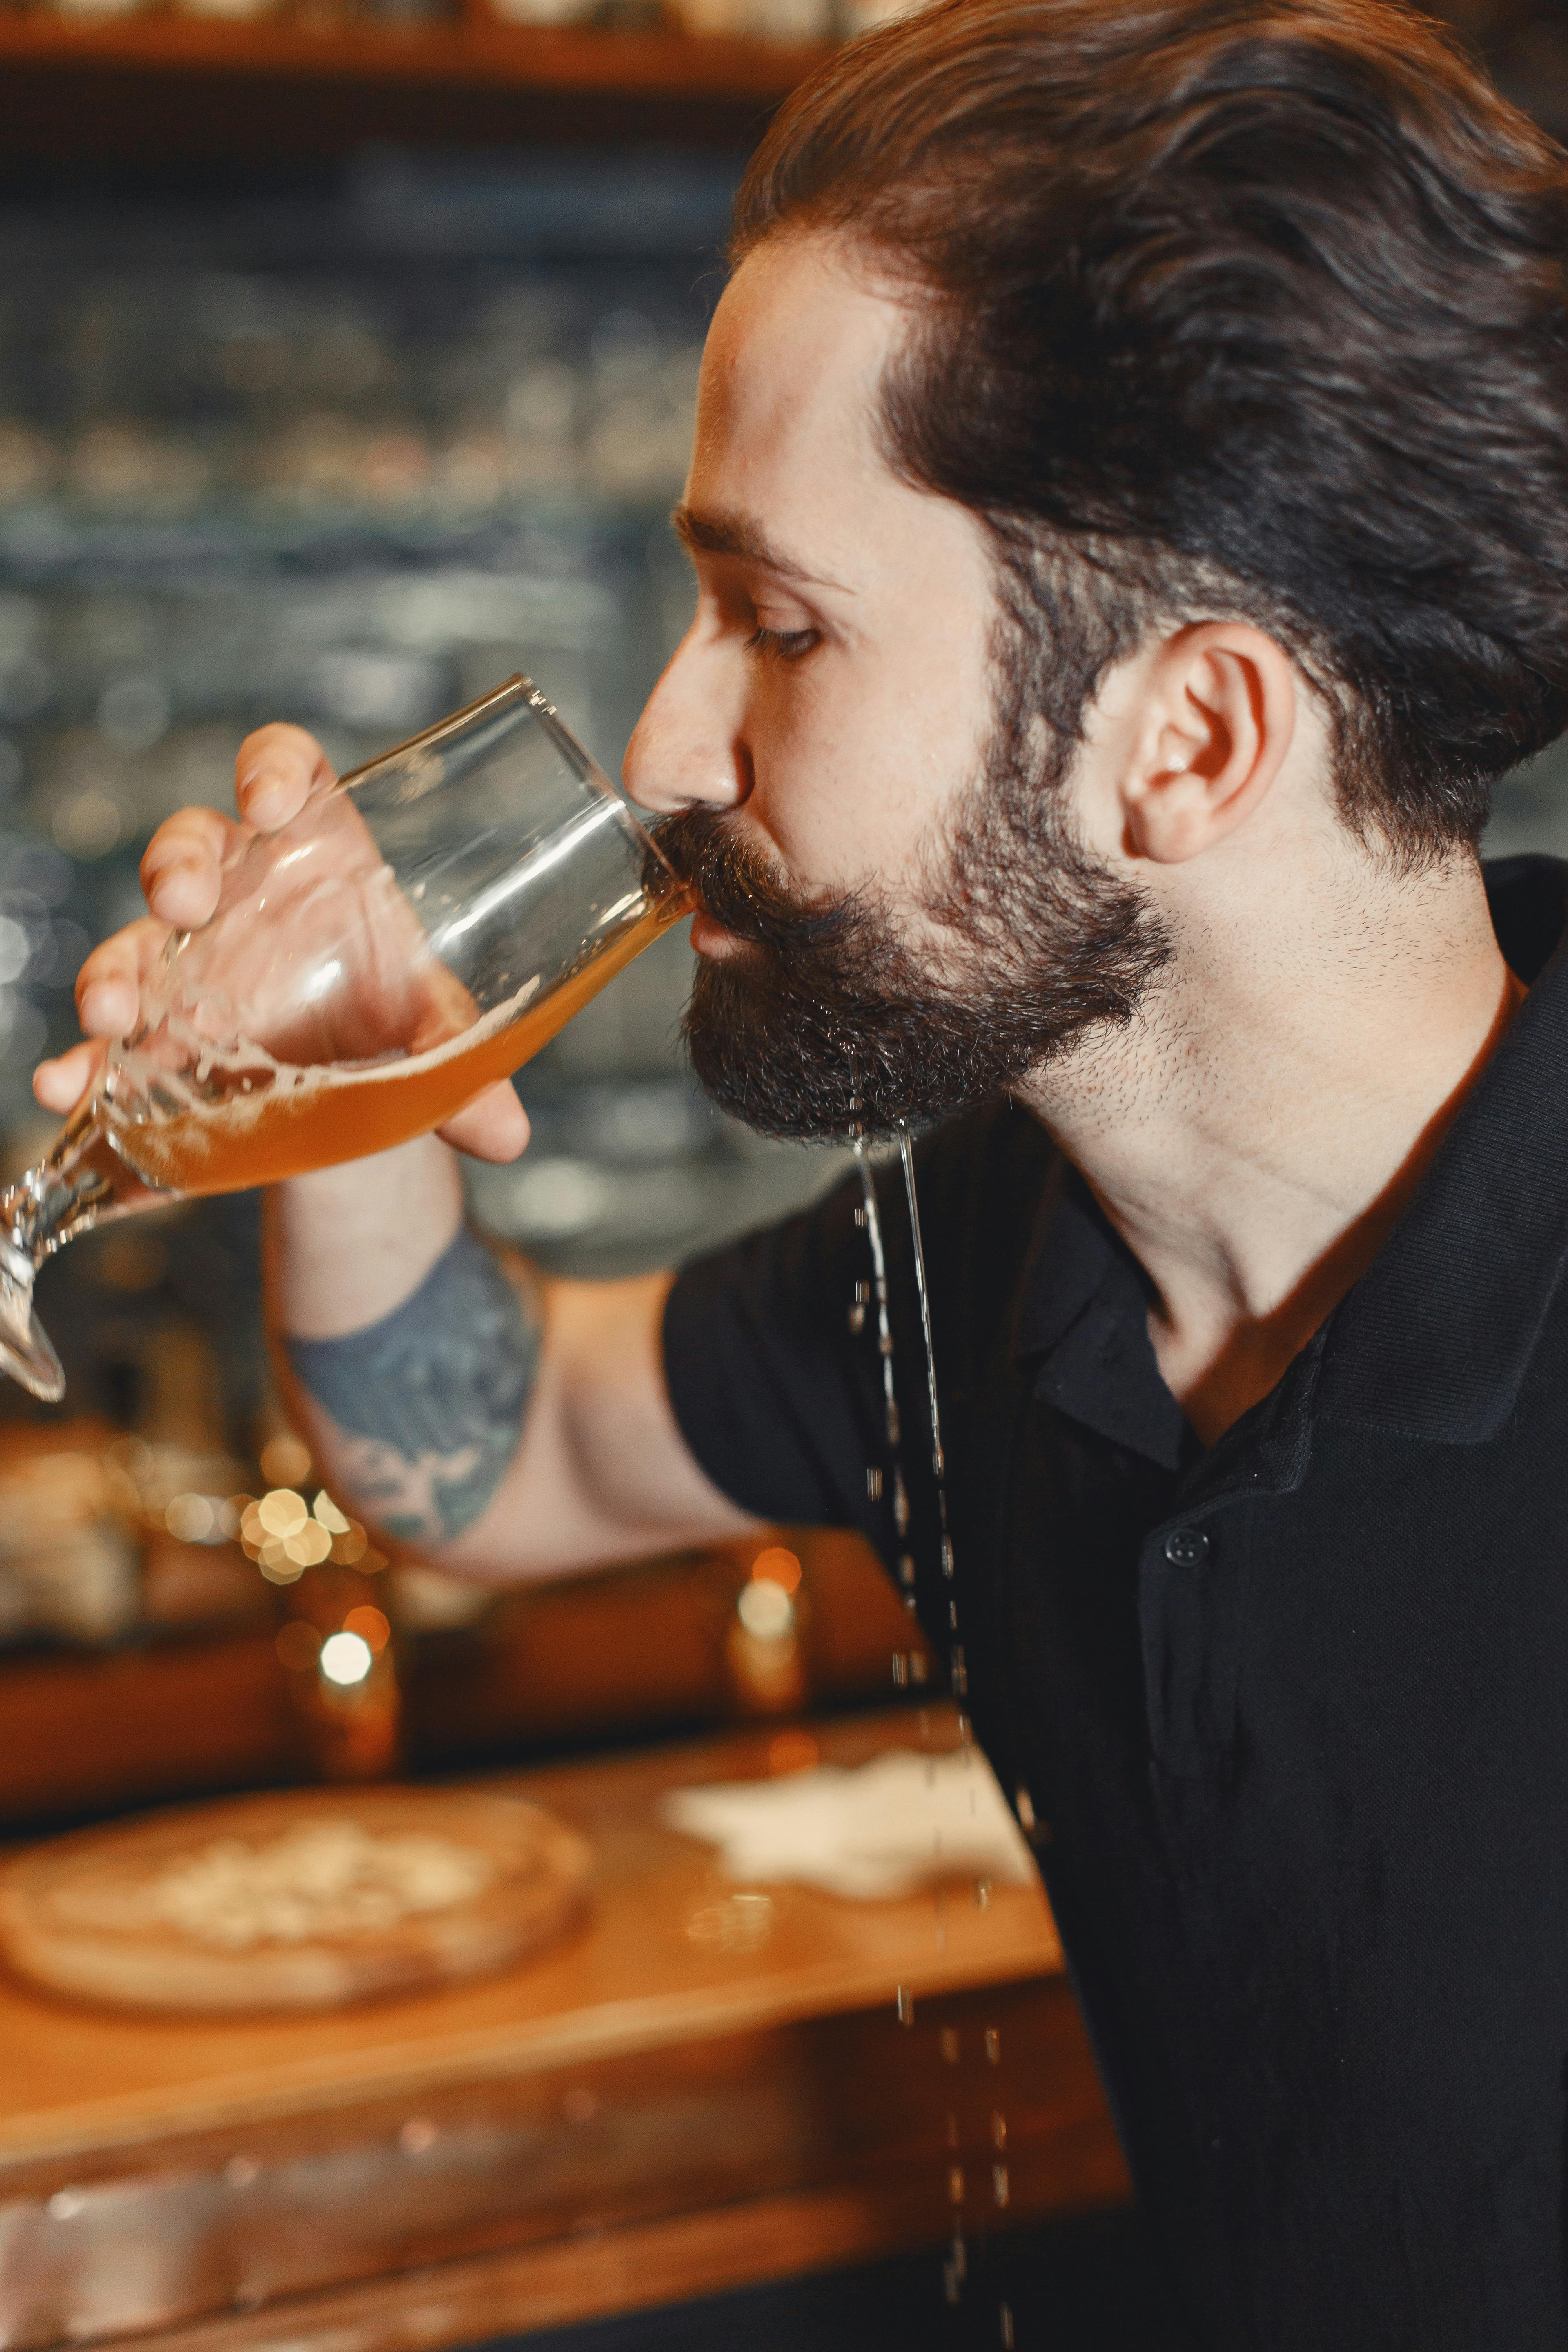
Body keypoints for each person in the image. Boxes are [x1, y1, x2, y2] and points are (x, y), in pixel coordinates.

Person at [38, 0, 1568, 2339]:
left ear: (1194, 736)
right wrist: (363, 1093)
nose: (667, 744)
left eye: (784, 625)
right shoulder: (1007, 1250)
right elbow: (493, 1448)